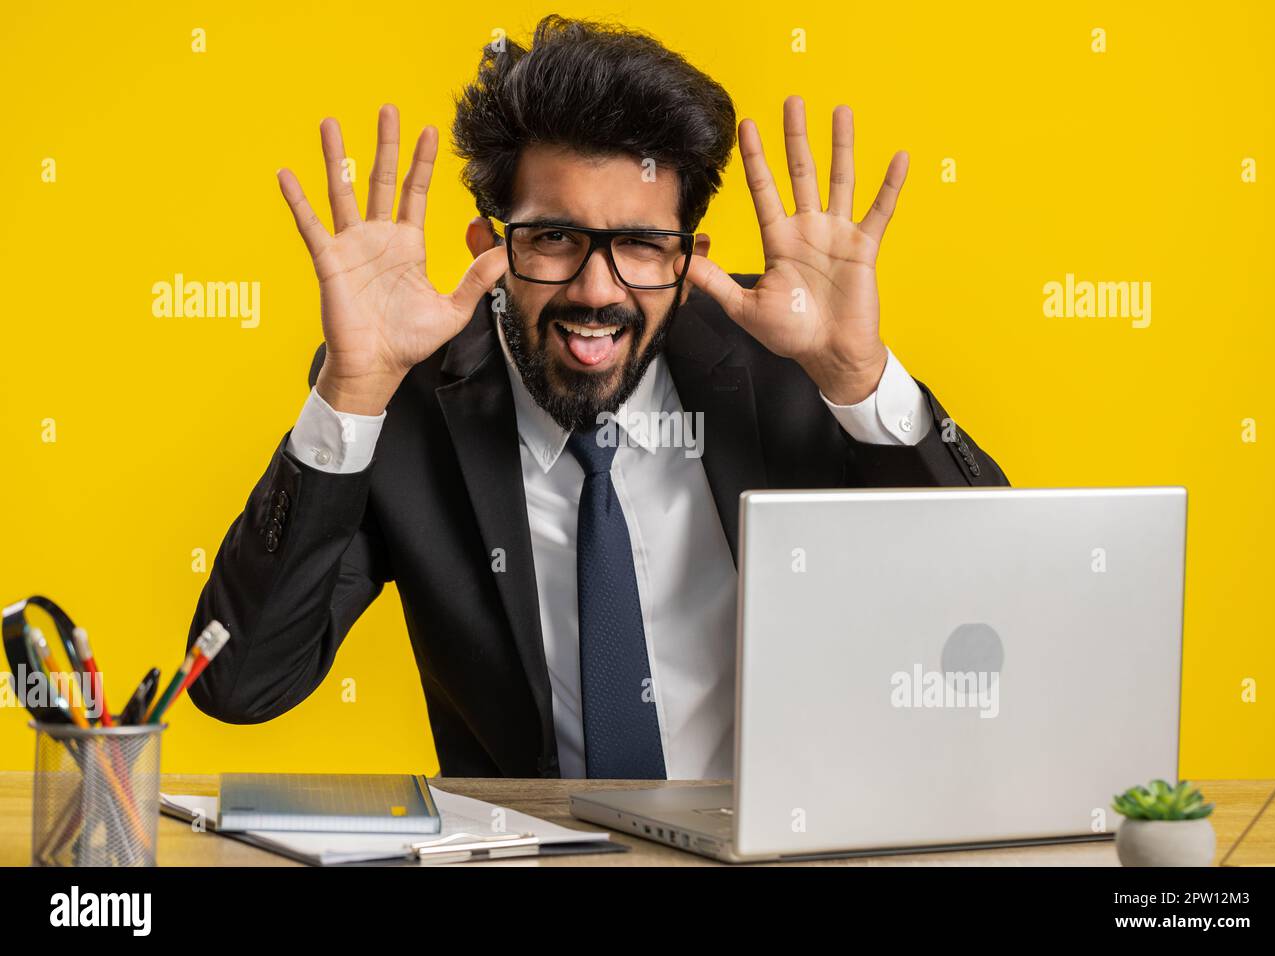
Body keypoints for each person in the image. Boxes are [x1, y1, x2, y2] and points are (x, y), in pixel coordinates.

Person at [188, 15, 1008, 779]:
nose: (595, 289)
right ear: (490, 247)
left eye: (643, 246)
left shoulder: (783, 361)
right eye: (553, 237)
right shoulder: (404, 409)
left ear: (688, 264)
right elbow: (239, 684)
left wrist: (859, 382)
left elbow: (993, 606)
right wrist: (351, 396)